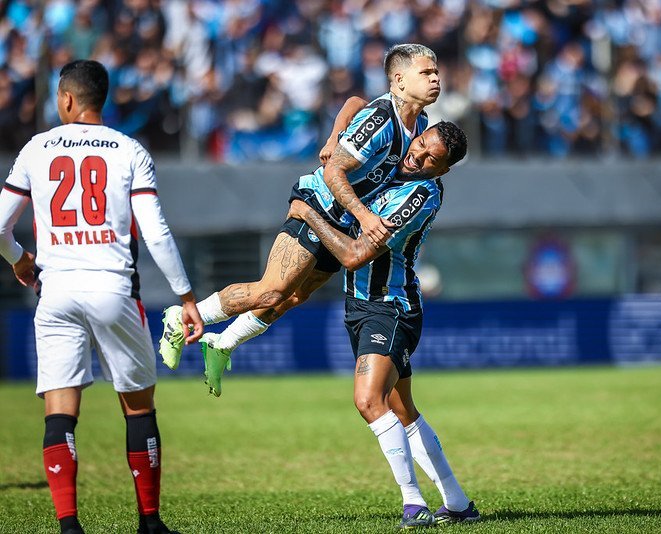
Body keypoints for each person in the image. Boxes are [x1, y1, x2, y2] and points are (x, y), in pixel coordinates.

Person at [204, 121, 479, 529]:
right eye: (420, 145)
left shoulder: (419, 195)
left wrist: (309, 215)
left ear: (442, 171)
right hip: (363, 305)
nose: (417, 155)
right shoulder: (395, 152)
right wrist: (335, 139)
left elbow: (353, 255)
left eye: (429, 159)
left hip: (390, 308)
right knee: (403, 410)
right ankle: (457, 503)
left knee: (369, 401)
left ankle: (413, 504)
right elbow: (356, 108)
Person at [159, 44, 442, 393]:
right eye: (426, 73)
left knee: (295, 297)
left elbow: (354, 102)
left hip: (342, 221)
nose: (435, 78)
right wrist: (364, 215)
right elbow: (333, 170)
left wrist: (335, 134)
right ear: (399, 80)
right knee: (271, 291)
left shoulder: (420, 124)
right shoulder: (383, 120)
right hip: (320, 204)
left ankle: (222, 343)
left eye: (435, 72)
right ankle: (183, 316)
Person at [0, 60, 203, 534]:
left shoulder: (36, 148)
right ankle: (150, 523)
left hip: (55, 290)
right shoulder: (129, 149)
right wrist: (187, 295)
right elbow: (155, 231)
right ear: (102, 99)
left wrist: (19, 260)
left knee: (60, 412)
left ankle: (69, 526)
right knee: (137, 407)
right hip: (113, 288)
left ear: (67, 99)